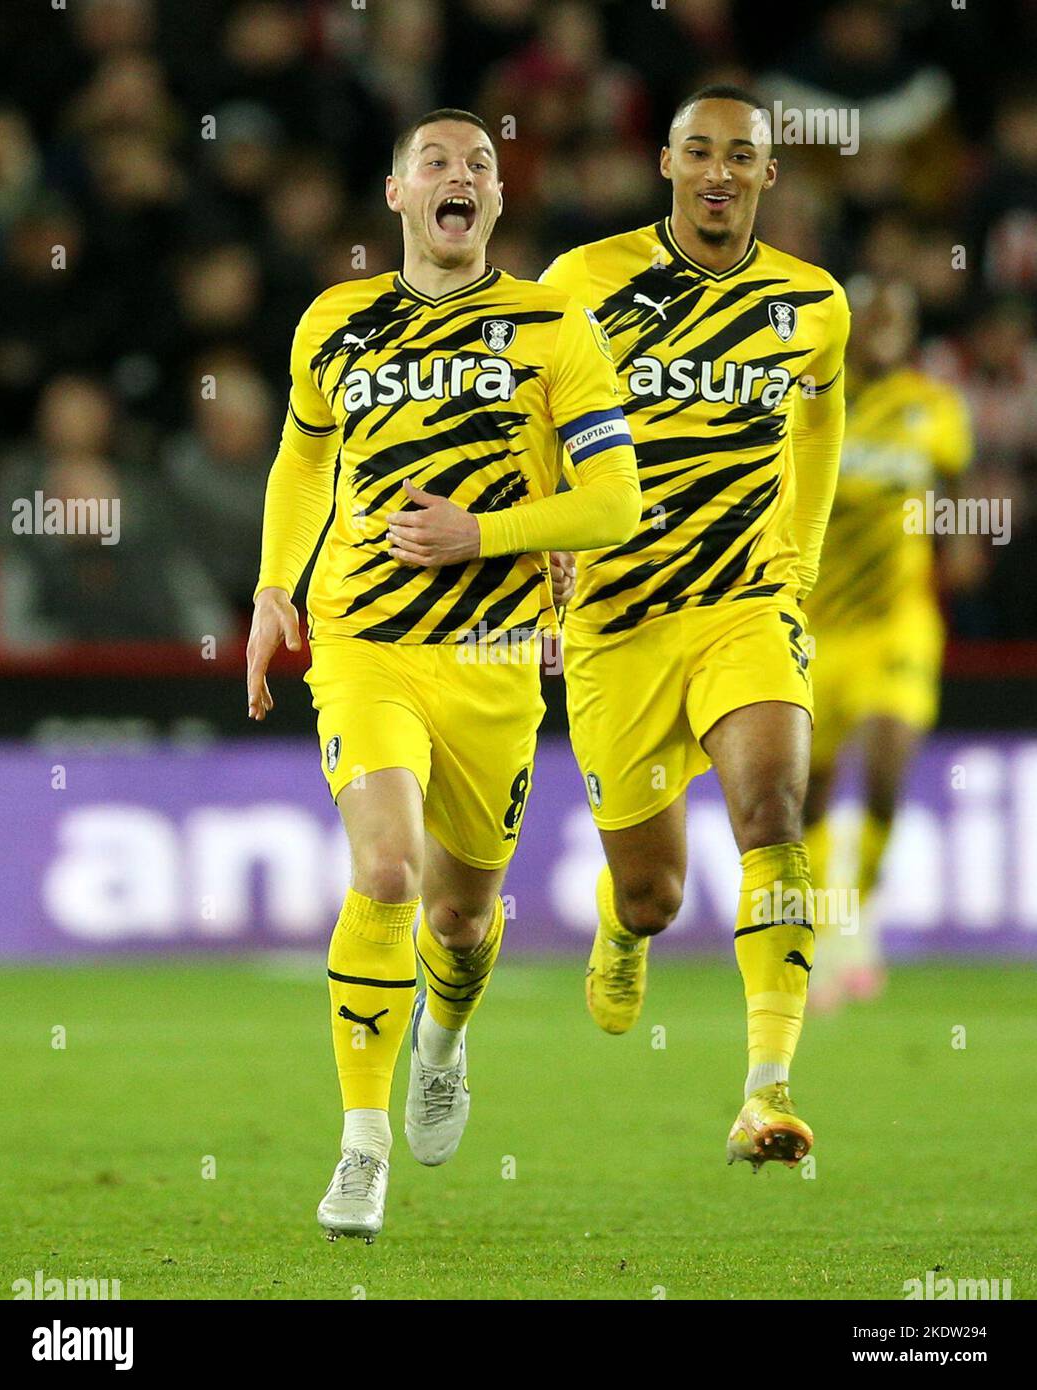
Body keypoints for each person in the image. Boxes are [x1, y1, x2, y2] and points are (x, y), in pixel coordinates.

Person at [246, 109, 640, 1239]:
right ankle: (359, 1149)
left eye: (479, 166)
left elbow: (615, 502)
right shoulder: (335, 321)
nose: (457, 177)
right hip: (364, 640)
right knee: (382, 873)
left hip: (499, 654)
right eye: (436, 164)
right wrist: (278, 584)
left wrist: (484, 533)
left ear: (497, 204)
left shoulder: (553, 326)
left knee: (460, 922)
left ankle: (443, 1040)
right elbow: (305, 450)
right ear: (395, 194)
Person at [540, 85, 849, 1169]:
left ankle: (766, 1092)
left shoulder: (810, 302)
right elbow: (524, 411)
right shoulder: (581, 283)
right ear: (664, 164)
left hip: (741, 607)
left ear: (768, 174)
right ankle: (620, 928)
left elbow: (818, 418)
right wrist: (545, 540)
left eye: (742, 156)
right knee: (654, 889)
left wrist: (796, 560)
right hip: (616, 619)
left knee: (771, 806)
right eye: (699, 152)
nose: (719, 171)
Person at [803, 277, 971, 1008]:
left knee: (883, 769)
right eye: (868, 315)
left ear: (907, 328)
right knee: (804, 797)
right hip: (813, 627)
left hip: (896, 625)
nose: (880, 327)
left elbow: (958, 489)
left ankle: (858, 915)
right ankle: (818, 930)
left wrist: (961, 541)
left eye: (894, 315)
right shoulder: (808, 404)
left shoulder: (931, 410)